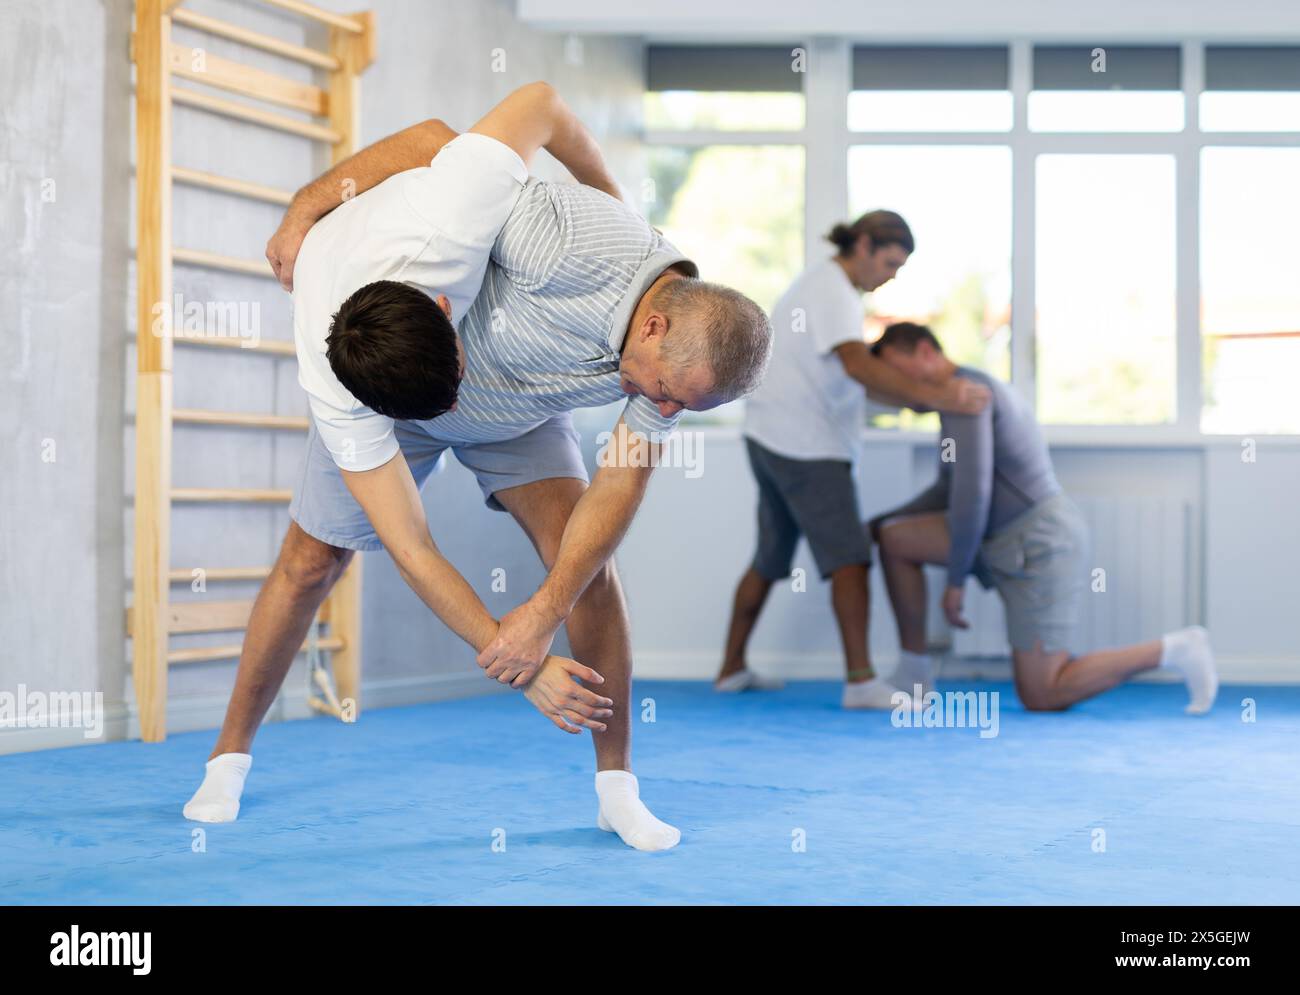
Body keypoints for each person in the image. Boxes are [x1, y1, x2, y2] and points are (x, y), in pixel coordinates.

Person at [184, 83, 772, 853]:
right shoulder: (539, 244)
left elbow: (621, 479)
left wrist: (546, 607)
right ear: (653, 327)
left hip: (517, 410)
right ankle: (227, 757)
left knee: (589, 568)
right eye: (661, 392)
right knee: (309, 562)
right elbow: (413, 546)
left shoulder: (676, 368)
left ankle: (617, 790)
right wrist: (523, 666)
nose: (658, 406)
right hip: (398, 384)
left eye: (674, 403)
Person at [868, 321, 1217, 714]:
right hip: (999, 538)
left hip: (1039, 543)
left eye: (895, 373)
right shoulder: (953, 403)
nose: (893, 389)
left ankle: (1178, 648)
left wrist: (955, 582)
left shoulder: (969, 395)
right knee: (895, 537)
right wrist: (879, 522)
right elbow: (948, 489)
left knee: (1043, 694)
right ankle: (914, 674)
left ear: (925, 353)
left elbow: (973, 493)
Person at [716, 211, 991, 709]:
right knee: (850, 560)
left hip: (769, 436)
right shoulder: (834, 291)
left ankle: (730, 669)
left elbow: (848, 382)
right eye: (888, 262)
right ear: (861, 245)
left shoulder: (824, 289)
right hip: (806, 447)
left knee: (770, 559)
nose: (891, 276)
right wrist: (940, 399)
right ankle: (861, 682)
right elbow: (859, 366)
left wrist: (913, 400)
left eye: (900, 269)